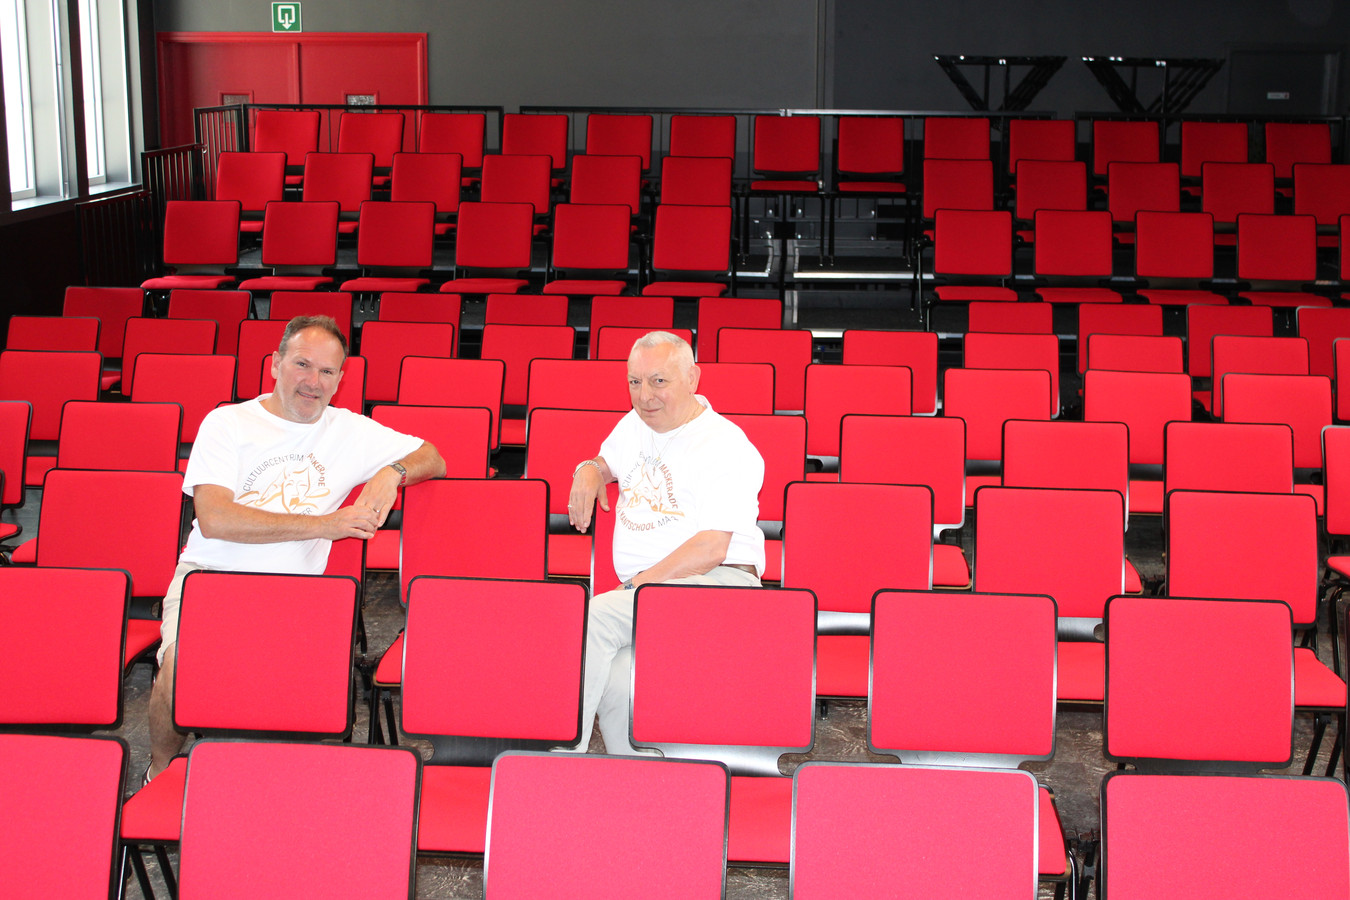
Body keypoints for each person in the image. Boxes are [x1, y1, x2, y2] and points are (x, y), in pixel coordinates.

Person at [146, 315, 445, 778]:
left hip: (297, 593)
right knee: (180, 668)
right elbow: (217, 518)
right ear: (275, 364)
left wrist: (394, 472)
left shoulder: (350, 430)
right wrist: (329, 524)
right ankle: (160, 771)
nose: (313, 381)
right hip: (210, 579)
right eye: (302, 364)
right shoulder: (228, 422)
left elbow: (434, 456)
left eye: (327, 372)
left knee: (296, 701)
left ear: (341, 380)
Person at [567, 330, 765, 753]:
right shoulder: (634, 425)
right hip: (656, 591)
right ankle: (637, 782)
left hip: (720, 585)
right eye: (634, 382)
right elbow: (607, 462)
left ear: (692, 378)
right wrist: (589, 468)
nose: (644, 397)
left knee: (592, 617)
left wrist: (637, 585)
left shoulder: (725, 445)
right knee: (619, 677)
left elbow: (711, 547)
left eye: (659, 381)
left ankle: (557, 756)